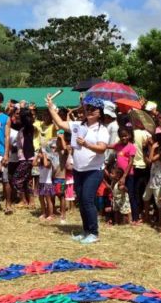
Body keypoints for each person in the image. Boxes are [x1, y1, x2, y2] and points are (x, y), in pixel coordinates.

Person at [46, 93, 109, 244]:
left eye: (93, 109)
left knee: (87, 200)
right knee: (81, 200)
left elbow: (102, 148)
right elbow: (61, 124)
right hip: (79, 170)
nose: (89, 111)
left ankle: (94, 232)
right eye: (87, 108)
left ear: (99, 112)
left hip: (94, 170)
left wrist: (86, 144)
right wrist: (51, 107)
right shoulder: (78, 125)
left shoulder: (102, 130)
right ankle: (86, 231)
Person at [143, 131, 161, 226]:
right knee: (145, 197)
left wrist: (152, 147)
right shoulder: (158, 150)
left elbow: (150, 160)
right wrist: (150, 147)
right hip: (152, 179)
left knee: (159, 203)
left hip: (158, 180)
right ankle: (147, 217)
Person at [52, 133, 74, 224]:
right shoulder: (54, 152)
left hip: (61, 178)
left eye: (60, 141)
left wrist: (62, 139)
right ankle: (52, 212)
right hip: (52, 178)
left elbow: (66, 150)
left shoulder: (64, 152)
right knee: (52, 196)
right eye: (58, 141)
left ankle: (63, 215)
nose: (58, 143)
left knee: (62, 196)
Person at [34, 145, 55, 221]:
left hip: (47, 183)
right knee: (41, 199)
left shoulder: (49, 162)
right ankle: (44, 213)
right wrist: (37, 156)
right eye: (40, 152)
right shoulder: (40, 162)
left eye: (41, 152)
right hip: (41, 183)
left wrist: (45, 155)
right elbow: (33, 164)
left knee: (48, 199)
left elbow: (46, 165)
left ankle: (51, 214)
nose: (40, 153)